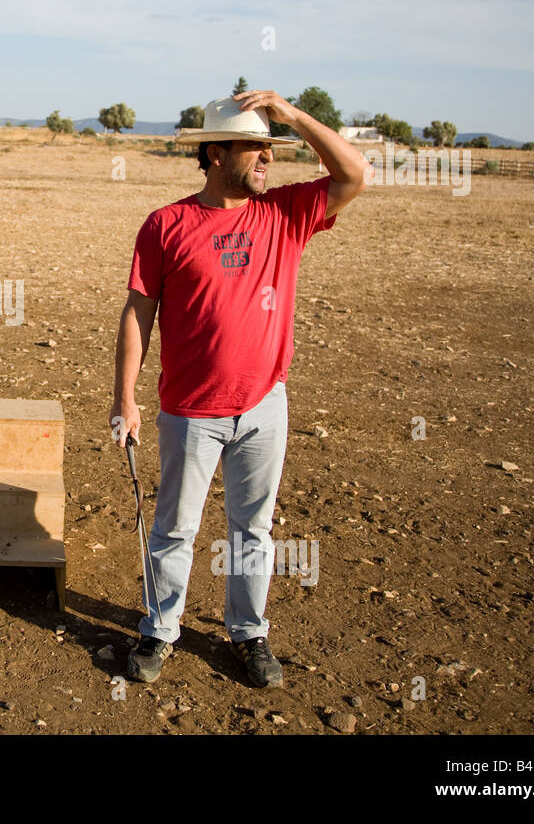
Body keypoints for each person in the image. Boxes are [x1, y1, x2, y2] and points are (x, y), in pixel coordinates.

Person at [109, 90, 371, 686]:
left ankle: (249, 633)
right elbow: (137, 313)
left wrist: (296, 118)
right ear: (216, 152)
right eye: (256, 147)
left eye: (270, 148)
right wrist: (125, 399)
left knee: (254, 527)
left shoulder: (285, 213)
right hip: (188, 411)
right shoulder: (166, 225)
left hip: (263, 406)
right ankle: (159, 628)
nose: (268, 159)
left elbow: (355, 172)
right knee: (175, 527)